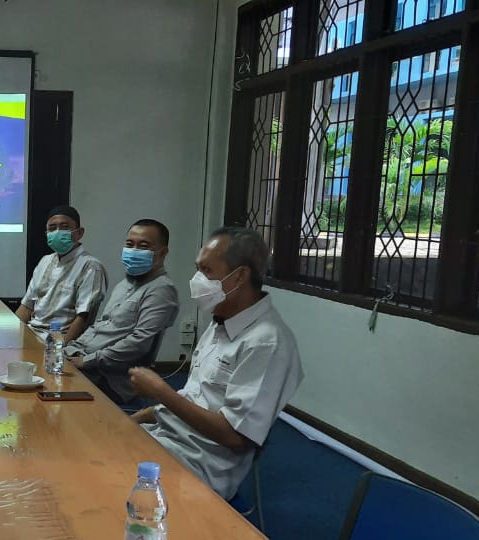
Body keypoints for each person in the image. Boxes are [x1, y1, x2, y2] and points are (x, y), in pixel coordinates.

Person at [129, 227, 302, 500]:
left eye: (207, 270)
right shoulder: (223, 320)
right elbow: (194, 398)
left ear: (240, 276)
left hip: (197, 465)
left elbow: (235, 436)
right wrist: (137, 418)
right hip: (166, 438)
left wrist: (161, 391)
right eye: (198, 269)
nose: (197, 280)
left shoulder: (266, 343)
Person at [65, 219, 179, 406]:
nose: (134, 250)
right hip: (85, 361)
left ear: (162, 252)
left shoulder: (162, 290)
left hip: (109, 379)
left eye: (143, 246)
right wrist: (71, 348)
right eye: (130, 244)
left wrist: (86, 361)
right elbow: (100, 326)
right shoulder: (125, 284)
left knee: (50, 393)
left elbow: (138, 343)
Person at [16, 205, 108, 342]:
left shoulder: (91, 266)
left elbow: (84, 317)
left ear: (79, 233)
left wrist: (60, 348)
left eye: (65, 227)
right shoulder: (45, 261)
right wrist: (10, 334)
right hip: (32, 333)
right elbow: (27, 306)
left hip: (59, 340)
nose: (58, 232)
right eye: (52, 228)